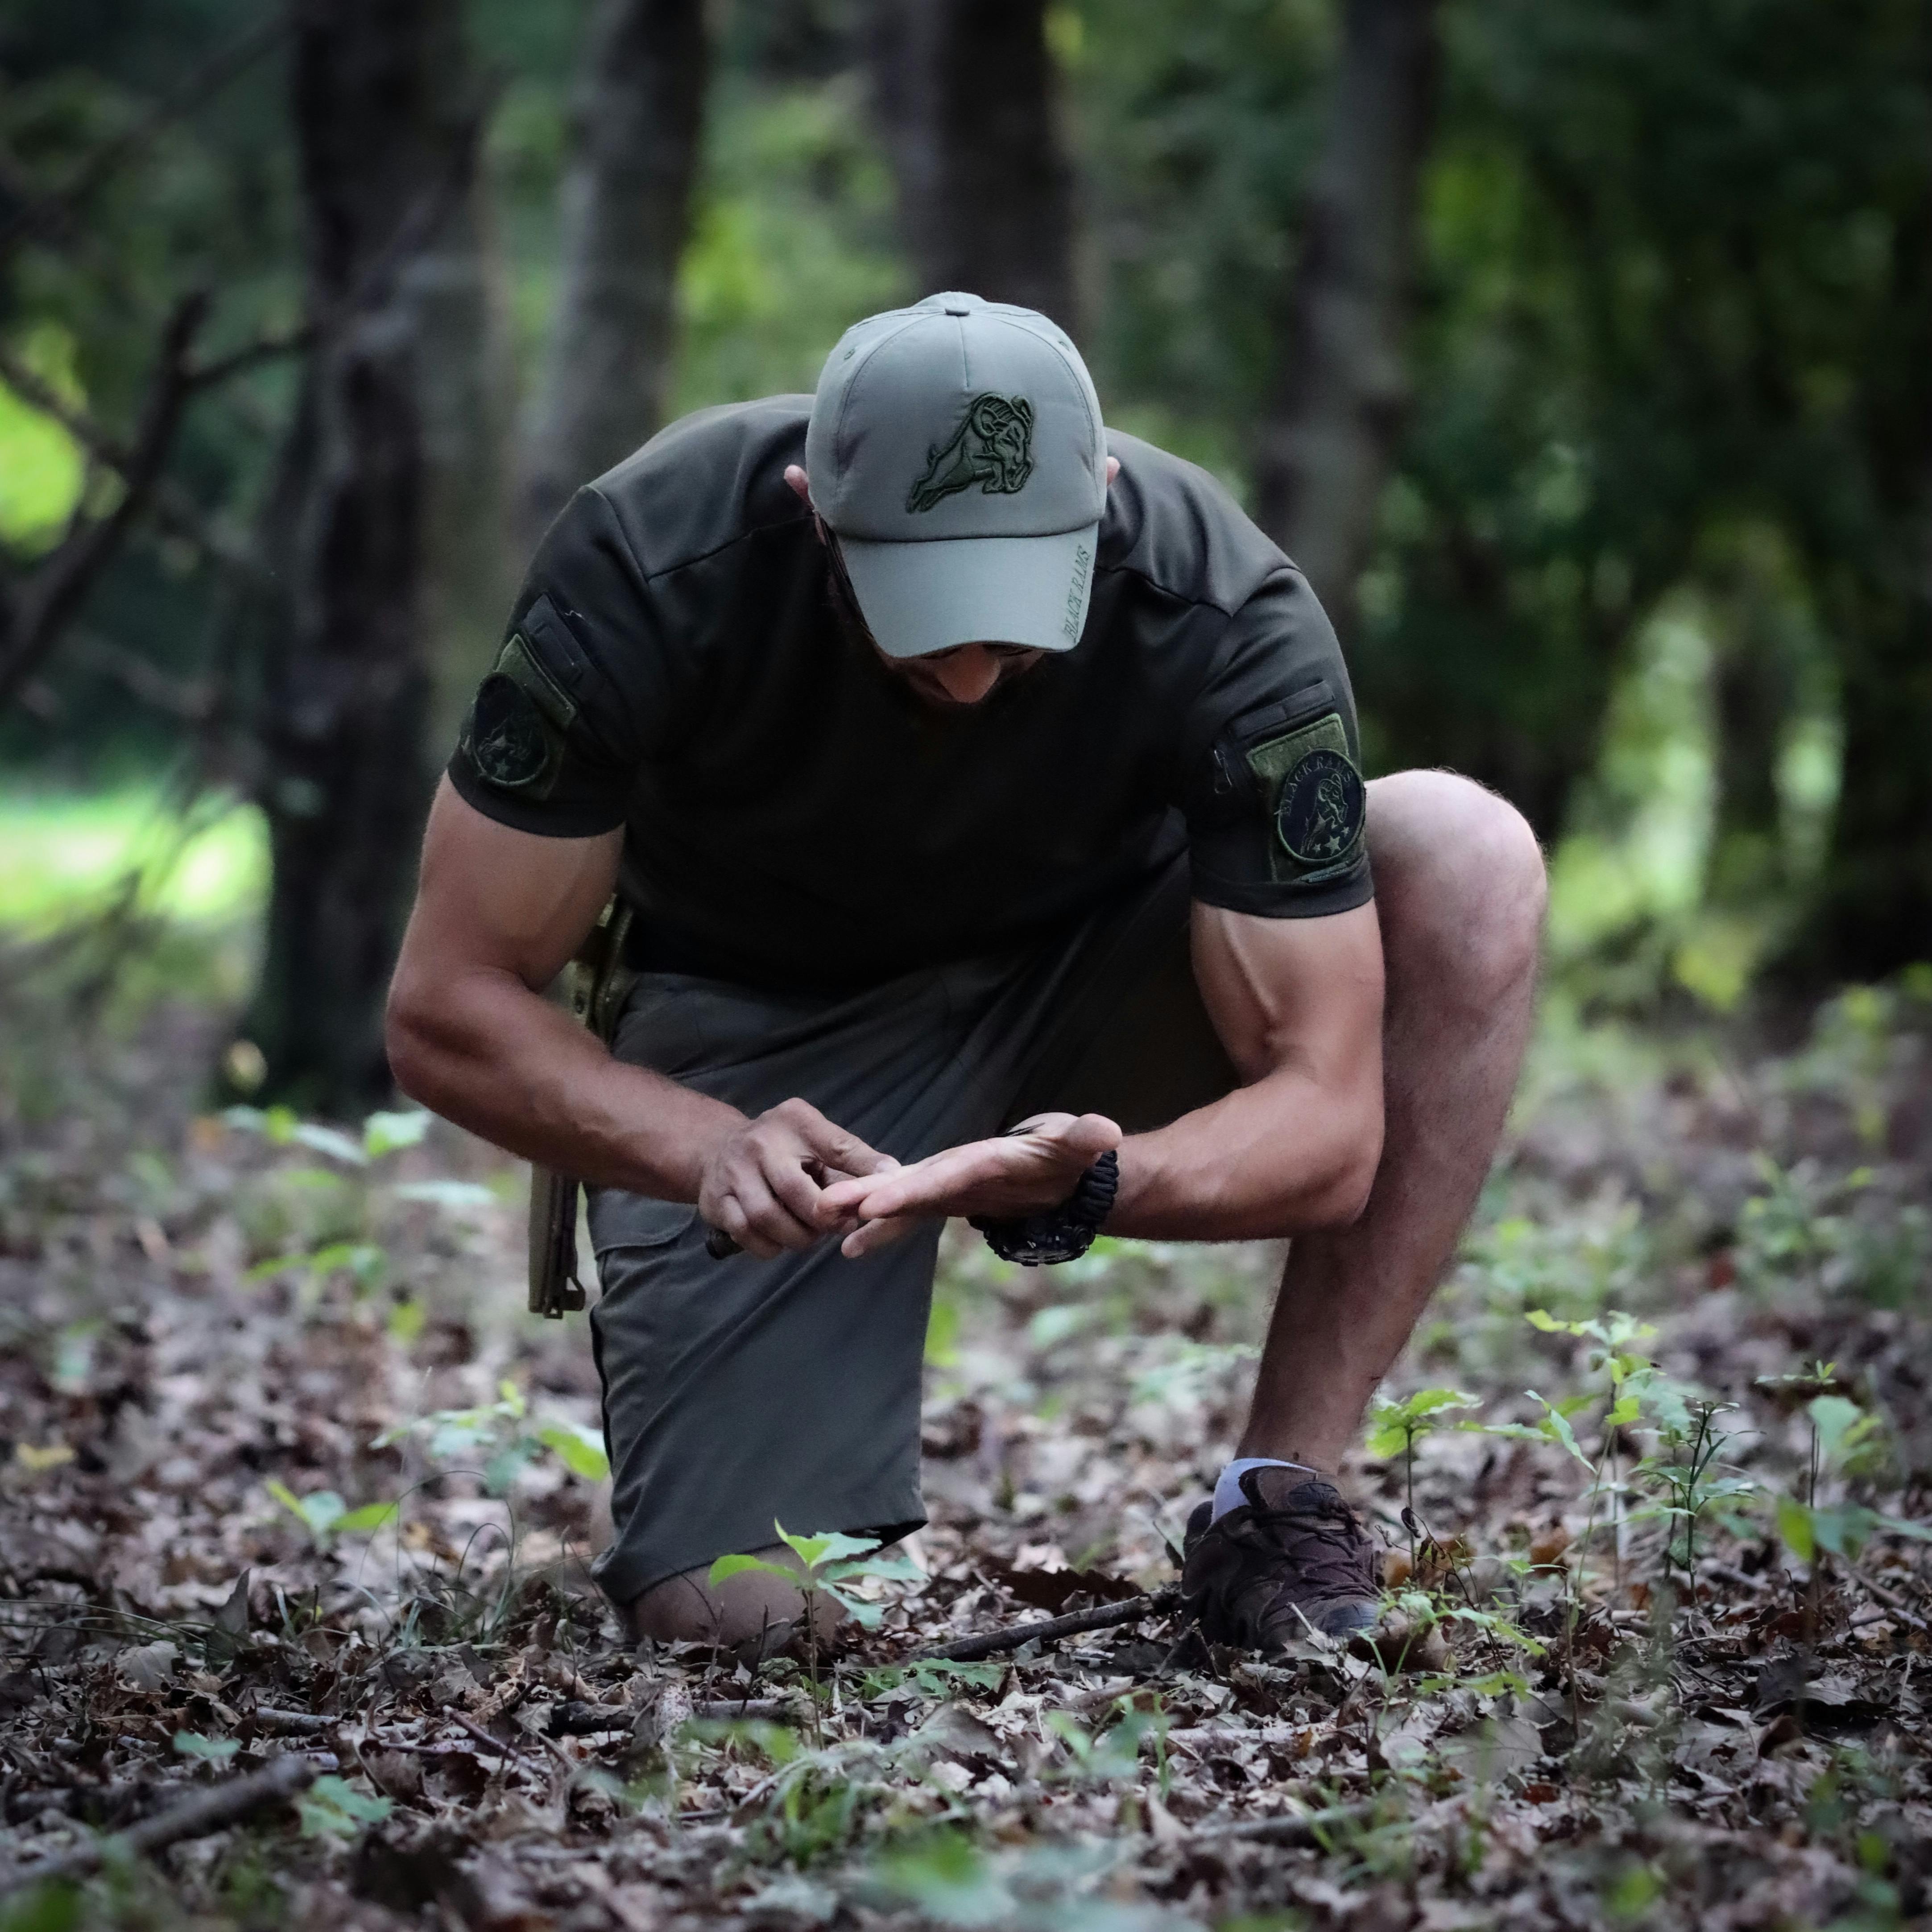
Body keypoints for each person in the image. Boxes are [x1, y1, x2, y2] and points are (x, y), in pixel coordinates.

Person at [386, 293, 1546, 1655]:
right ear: (813, 506)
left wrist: (1096, 1180)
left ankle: (1277, 1501)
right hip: (763, 1035)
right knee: (746, 1622)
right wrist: (706, 1145)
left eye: (1016, 608)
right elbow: (446, 1005)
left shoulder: (1222, 609)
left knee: (1464, 854)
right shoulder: (648, 562)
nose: (972, 670)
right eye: (923, 607)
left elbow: (1331, 1123)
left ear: (1101, 497)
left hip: (1097, 981)